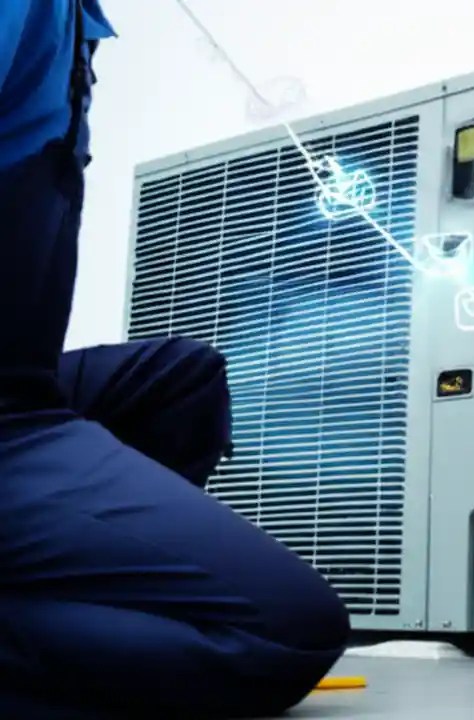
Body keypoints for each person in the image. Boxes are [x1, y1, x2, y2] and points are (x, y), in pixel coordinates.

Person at [0, 2, 350, 717]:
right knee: (282, 632)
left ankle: (83, 583)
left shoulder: (70, 23)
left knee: (183, 378)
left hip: (22, 375)